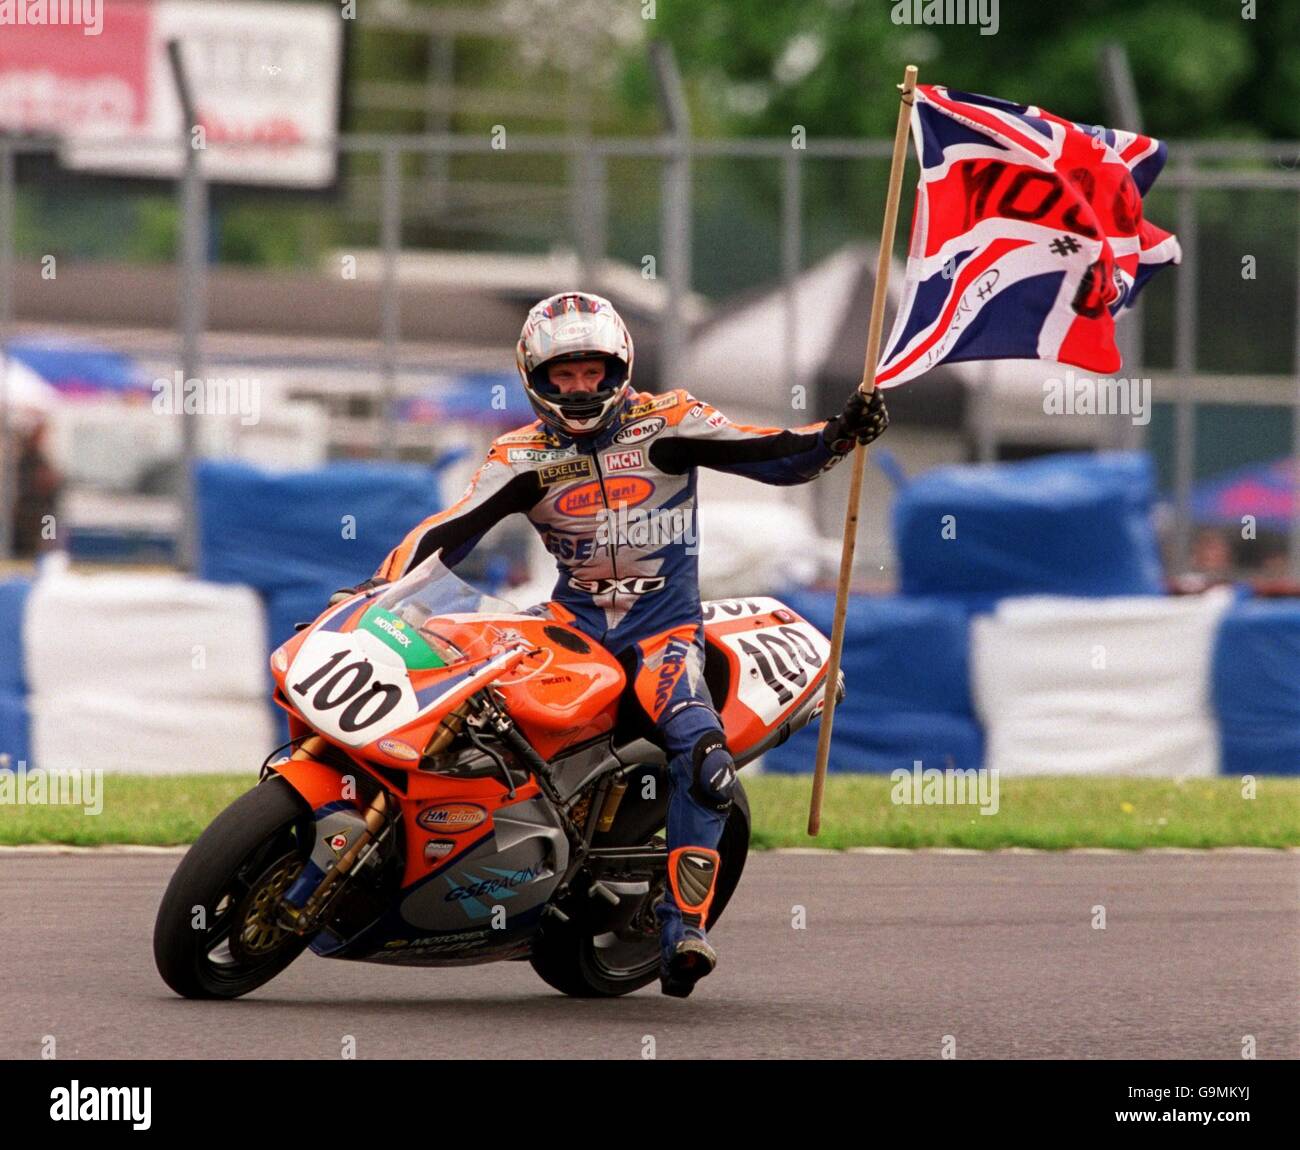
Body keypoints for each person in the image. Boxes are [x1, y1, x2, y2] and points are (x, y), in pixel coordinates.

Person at [342, 291, 889, 996]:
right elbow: (445, 533)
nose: (580, 387)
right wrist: (374, 590)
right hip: (569, 625)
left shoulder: (669, 422)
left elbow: (774, 455)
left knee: (705, 755)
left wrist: (840, 432)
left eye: (592, 371)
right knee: (465, 706)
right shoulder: (521, 455)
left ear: (619, 369)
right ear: (535, 379)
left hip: (662, 632)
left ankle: (682, 927)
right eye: (562, 375)